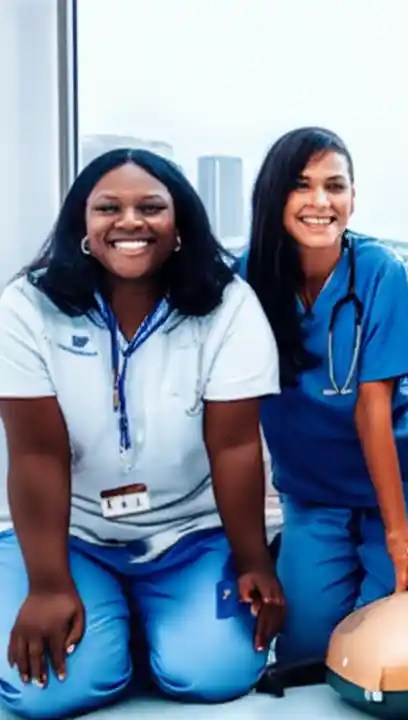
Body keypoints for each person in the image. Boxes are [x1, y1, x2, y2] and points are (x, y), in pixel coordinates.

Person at [0, 149, 284, 719]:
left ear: (179, 226)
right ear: (82, 222)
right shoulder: (27, 306)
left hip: (190, 533)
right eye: (108, 207)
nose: (129, 222)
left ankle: (142, 622)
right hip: (72, 533)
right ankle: (106, 613)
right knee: (47, 693)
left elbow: (233, 447)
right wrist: (50, 584)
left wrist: (254, 560)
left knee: (212, 675)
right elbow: (35, 453)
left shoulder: (228, 305)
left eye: (151, 207)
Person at [242, 127, 408, 666]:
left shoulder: (380, 272)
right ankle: (314, 559)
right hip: (316, 491)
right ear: (275, 194)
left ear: (353, 197)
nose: (321, 202)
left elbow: (373, 412)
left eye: (336, 186)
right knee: (305, 653)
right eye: (302, 186)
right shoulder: (248, 279)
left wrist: (402, 543)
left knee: (390, 647)